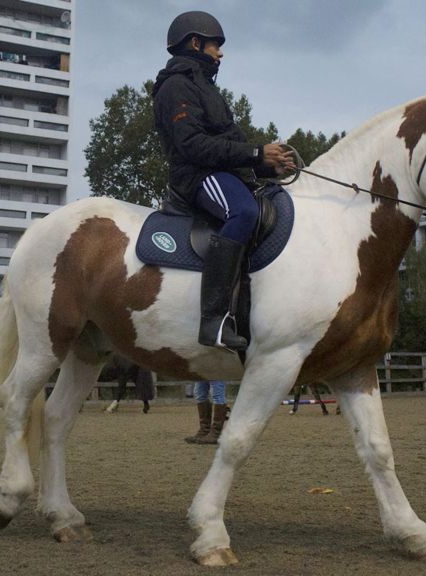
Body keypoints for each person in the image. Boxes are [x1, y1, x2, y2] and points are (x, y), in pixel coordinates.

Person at [152, 11, 296, 351]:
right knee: (243, 212)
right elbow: (192, 145)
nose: (221, 53)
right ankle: (213, 320)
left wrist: (267, 167)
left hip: (220, 173)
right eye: (216, 46)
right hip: (196, 176)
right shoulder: (176, 87)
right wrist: (257, 153)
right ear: (196, 43)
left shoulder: (206, 88)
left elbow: (228, 147)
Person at [185, 380, 228, 445]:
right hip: (202, 370)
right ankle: (205, 430)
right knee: (199, 394)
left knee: (217, 394)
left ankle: (216, 433)